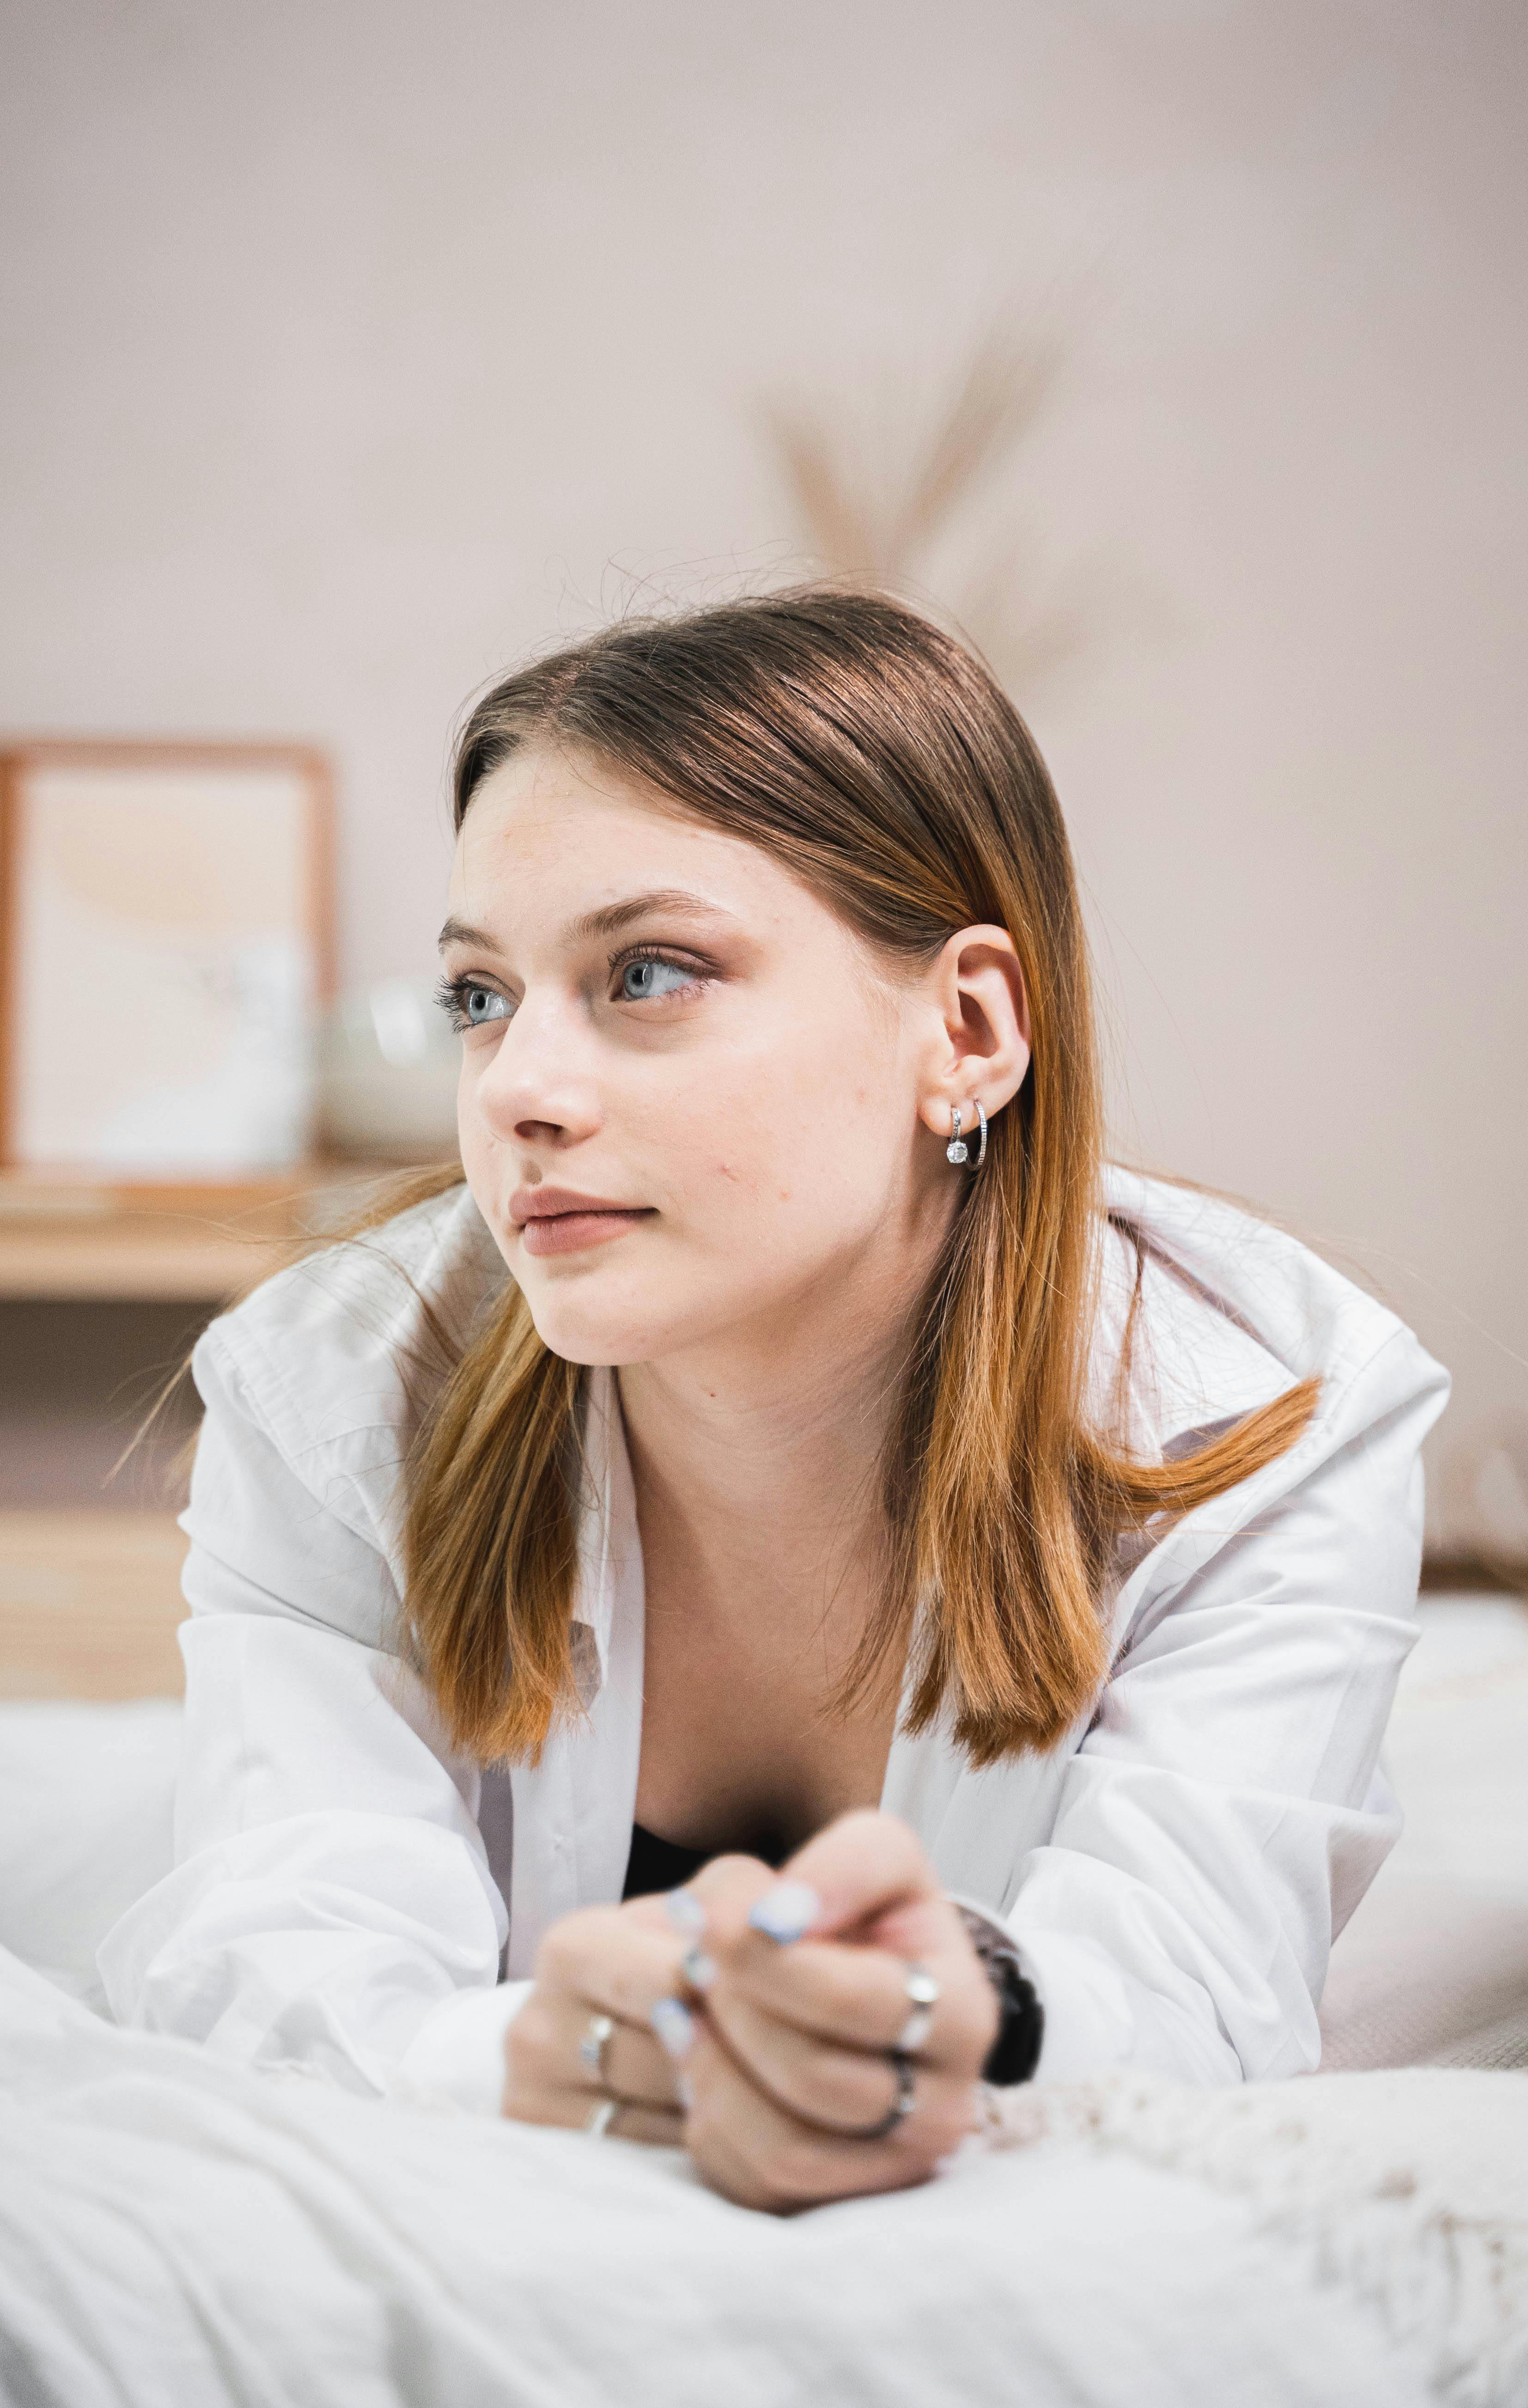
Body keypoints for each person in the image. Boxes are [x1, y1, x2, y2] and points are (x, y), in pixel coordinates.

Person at [103, 587, 1448, 2212]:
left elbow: (1185, 1987)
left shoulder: (1258, 1417)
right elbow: (275, 1959)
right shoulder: (336, 1391)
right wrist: (537, 2059)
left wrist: (953, 2016)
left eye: (649, 971)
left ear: (965, 1029)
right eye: (480, 997)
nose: (517, 1088)